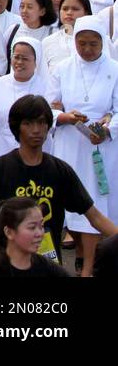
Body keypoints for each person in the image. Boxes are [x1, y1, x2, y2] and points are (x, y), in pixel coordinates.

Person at [0, 94, 118, 272]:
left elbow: (95, 217)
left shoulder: (60, 171)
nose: (36, 130)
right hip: (5, 267)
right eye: (28, 123)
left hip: (48, 266)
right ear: (17, 127)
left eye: (42, 123)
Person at [45, 16, 118, 275]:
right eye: (81, 43)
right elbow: (47, 107)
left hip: (102, 150)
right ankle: (80, 256)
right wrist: (65, 117)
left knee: (94, 206)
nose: (87, 49)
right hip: (70, 146)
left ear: (103, 43)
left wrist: (107, 130)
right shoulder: (62, 68)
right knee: (70, 208)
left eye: (93, 44)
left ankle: (88, 267)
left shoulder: (115, 69)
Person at [0, 197, 71, 277]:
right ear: (9, 232)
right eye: (32, 227)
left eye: (41, 226)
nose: (40, 233)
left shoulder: (47, 268)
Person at [0, 36, 50, 158]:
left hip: (35, 150)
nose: (19, 62)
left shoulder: (46, 87)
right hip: (1, 149)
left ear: (36, 61)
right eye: (16, 57)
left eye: (25, 59)